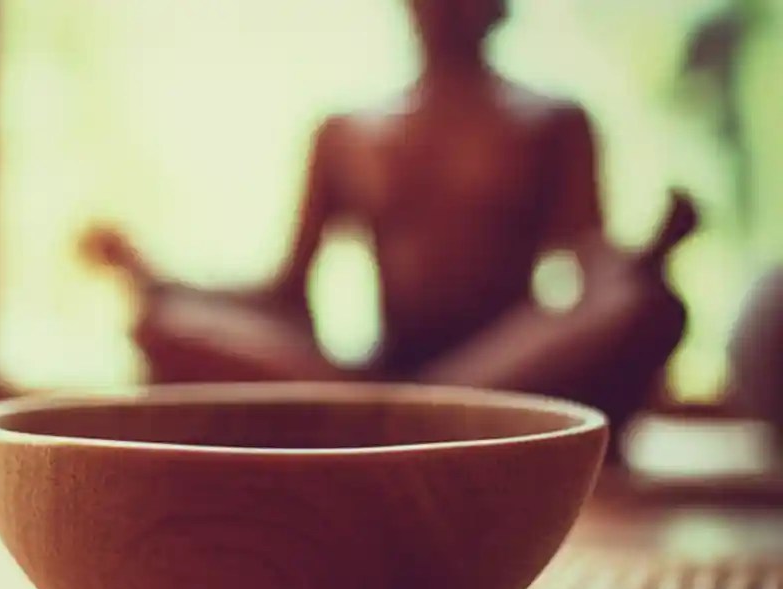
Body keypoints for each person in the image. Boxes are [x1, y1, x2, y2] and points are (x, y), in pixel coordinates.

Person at [84, 0, 691, 435]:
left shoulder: (553, 123)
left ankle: (404, 415)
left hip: (510, 366)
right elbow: (286, 291)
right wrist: (155, 276)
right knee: (162, 322)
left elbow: (594, 274)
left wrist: (653, 252)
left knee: (648, 307)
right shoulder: (346, 131)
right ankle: (416, 412)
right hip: (377, 371)